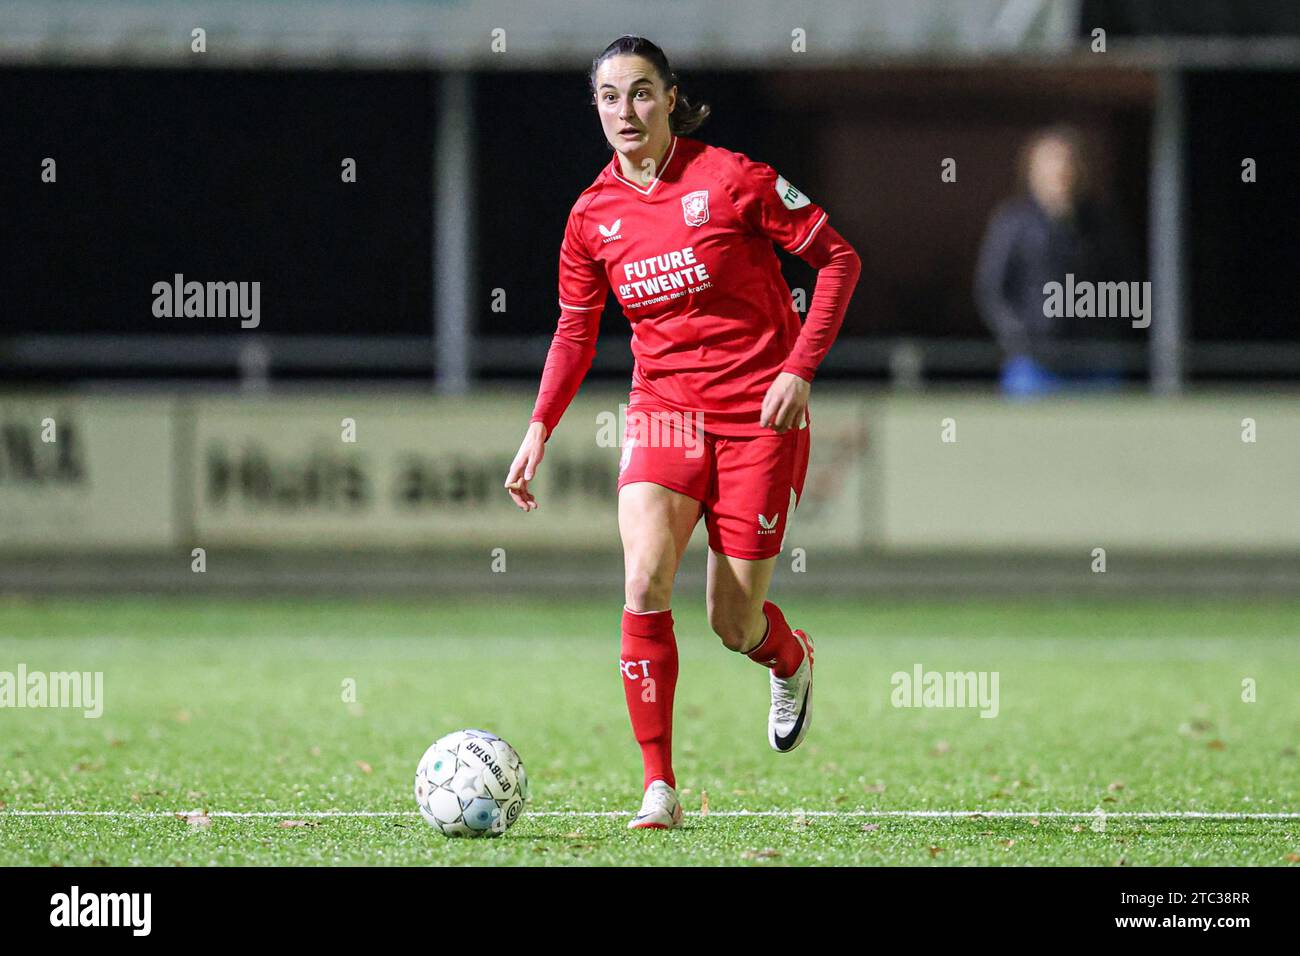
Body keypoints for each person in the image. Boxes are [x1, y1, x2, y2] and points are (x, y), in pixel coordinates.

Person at [503, 35, 861, 830]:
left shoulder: (734, 179)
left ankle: (790, 657)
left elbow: (838, 261)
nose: (624, 111)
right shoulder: (591, 216)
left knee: (732, 624)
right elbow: (574, 331)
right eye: (607, 97)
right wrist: (538, 428)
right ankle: (658, 787)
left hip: (758, 417)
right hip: (663, 409)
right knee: (642, 581)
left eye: (639, 93)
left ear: (670, 97)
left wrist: (799, 369)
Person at [975, 125, 1129, 397]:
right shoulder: (1012, 222)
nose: (1060, 171)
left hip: (1094, 364)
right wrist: (1022, 342)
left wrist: (1105, 332)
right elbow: (992, 291)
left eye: (1067, 162)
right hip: (1034, 367)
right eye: (1050, 162)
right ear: (1032, 171)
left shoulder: (1103, 224)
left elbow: (1125, 282)